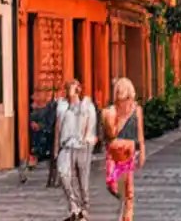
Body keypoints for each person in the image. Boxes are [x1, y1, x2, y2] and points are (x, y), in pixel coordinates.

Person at [54, 79, 98, 221]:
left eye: (72, 87)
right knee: (64, 175)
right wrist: (56, 148)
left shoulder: (86, 106)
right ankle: (74, 207)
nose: (69, 90)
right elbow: (58, 128)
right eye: (67, 88)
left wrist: (88, 140)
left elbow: (91, 125)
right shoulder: (63, 107)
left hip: (82, 146)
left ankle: (84, 209)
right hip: (66, 145)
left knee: (82, 180)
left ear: (78, 89)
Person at [102, 77, 145, 221]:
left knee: (128, 187)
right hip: (114, 152)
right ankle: (125, 211)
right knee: (113, 185)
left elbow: (139, 133)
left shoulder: (137, 110)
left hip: (128, 151)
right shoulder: (112, 111)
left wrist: (142, 151)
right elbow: (110, 135)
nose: (125, 101)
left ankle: (127, 215)